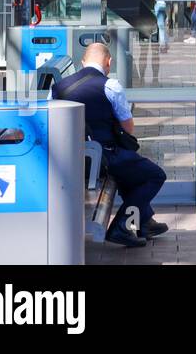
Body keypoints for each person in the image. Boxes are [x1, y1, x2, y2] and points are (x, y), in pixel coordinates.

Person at [53, 43, 167, 248]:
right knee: (154, 175)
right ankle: (121, 226)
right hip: (102, 158)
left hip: (69, 158)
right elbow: (128, 127)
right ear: (109, 62)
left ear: (82, 62)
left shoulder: (58, 88)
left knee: (130, 171)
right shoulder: (110, 85)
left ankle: (144, 221)